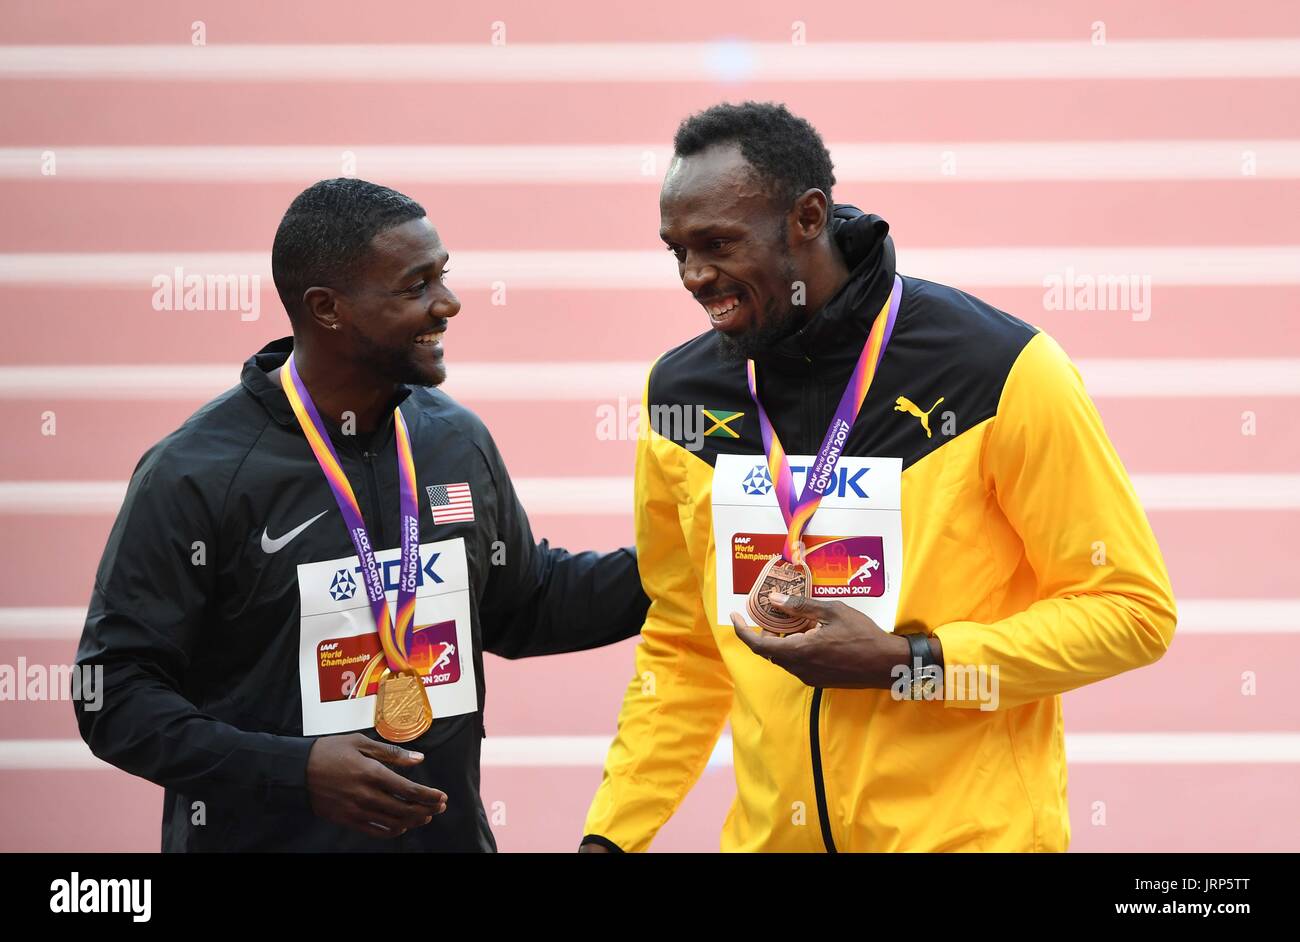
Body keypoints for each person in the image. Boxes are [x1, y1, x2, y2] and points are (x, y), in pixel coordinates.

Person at [580, 102, 1176, 853]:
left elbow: (1131, 611)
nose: (697, 278)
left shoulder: (998, 369)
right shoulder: (679, 397)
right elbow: (685, 641)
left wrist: (913, 667)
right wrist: (612, 834)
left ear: (807, 217)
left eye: (718, 245)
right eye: (677, 252)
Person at [74, 178, 648, 851]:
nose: (449, 304)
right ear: (328, 309)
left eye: (444, 276)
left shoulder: (452, 440)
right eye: (416, 286)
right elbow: (111, 694)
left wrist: (698, 563)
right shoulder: (195, 474)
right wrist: (295, 771)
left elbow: (523, 601)